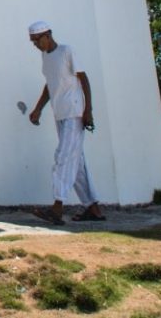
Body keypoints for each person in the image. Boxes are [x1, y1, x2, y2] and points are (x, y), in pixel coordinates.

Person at [27, 21, 107, 225]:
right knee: (76, 162)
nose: (35, 45)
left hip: (74, 113)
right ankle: (93, 209)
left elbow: (84, 79)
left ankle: (57, 207)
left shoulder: (66, 51)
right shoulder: (46, 57)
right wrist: (38, 108)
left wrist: (88, 110)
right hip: (60, 114)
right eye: (32, 42)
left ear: (48, 35)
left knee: (63, 157)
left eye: (37, 40)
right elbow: (50, 85)